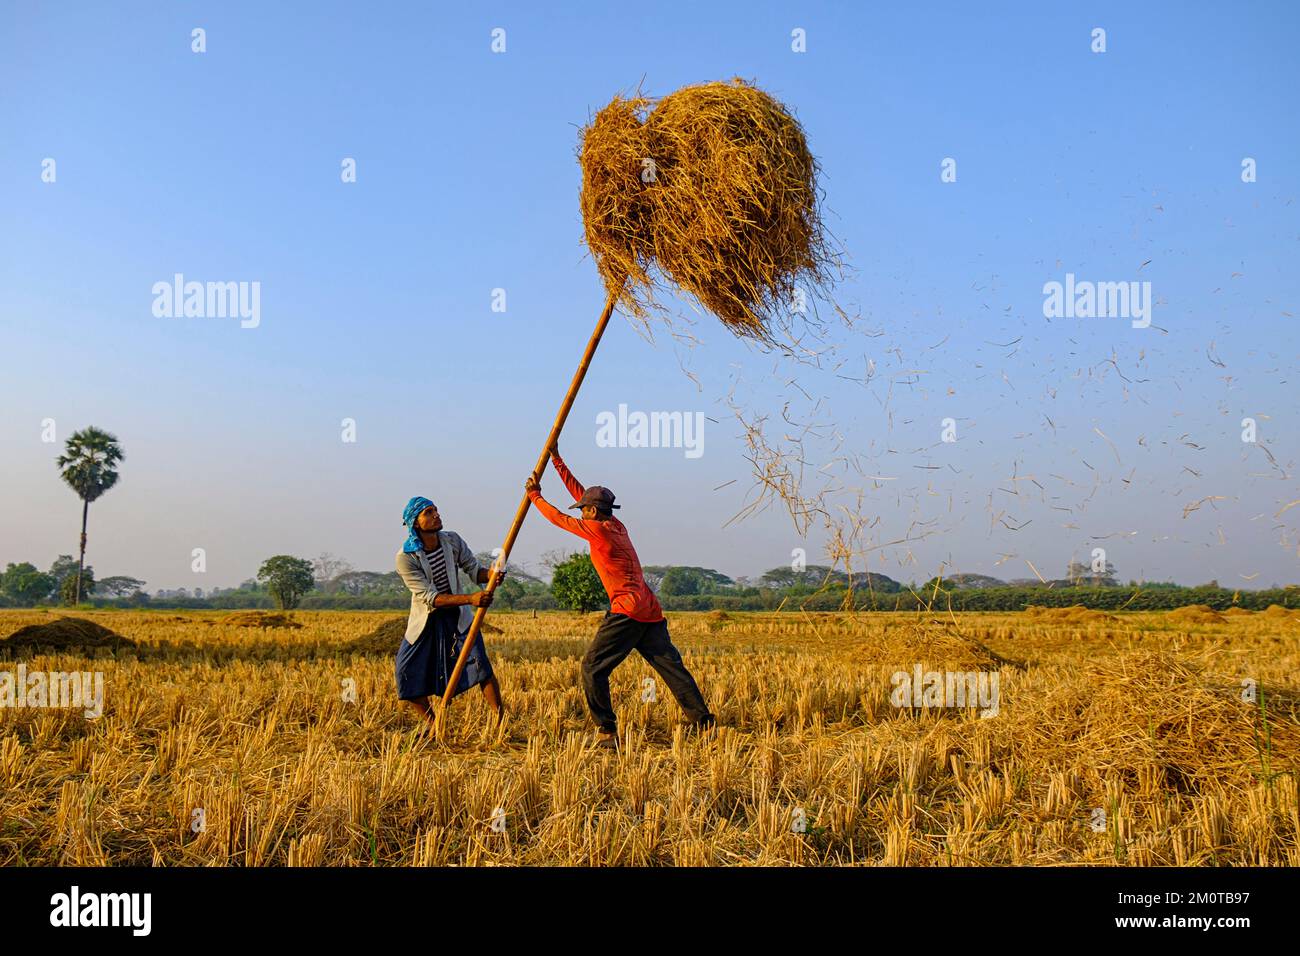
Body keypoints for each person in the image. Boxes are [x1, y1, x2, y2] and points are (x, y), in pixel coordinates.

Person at [524, 444, 715, 750]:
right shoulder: (617, 525)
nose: (581, 511)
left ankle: (606, 731)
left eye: (584, 509)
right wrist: (558, 461)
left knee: (592, 667)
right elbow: (581, 495)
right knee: (671, 667)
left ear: (592, 513)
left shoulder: (597, 530)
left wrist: (535, 496)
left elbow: (558, 518)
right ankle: (704, 724)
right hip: (649, 609)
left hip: (626, 610)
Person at [394, 495, 505, 729]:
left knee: (481, 666)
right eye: (428, 512)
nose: (436, 514)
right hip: (428, 620)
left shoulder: (452, 541)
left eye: (435, 510)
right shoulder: (405, 558)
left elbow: (475, 572)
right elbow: (431, 598)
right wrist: (471, 599)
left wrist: (493, 574)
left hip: (458, 618)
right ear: (415, 523)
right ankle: (434, 725)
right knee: (405, 672)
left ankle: (500, 722)